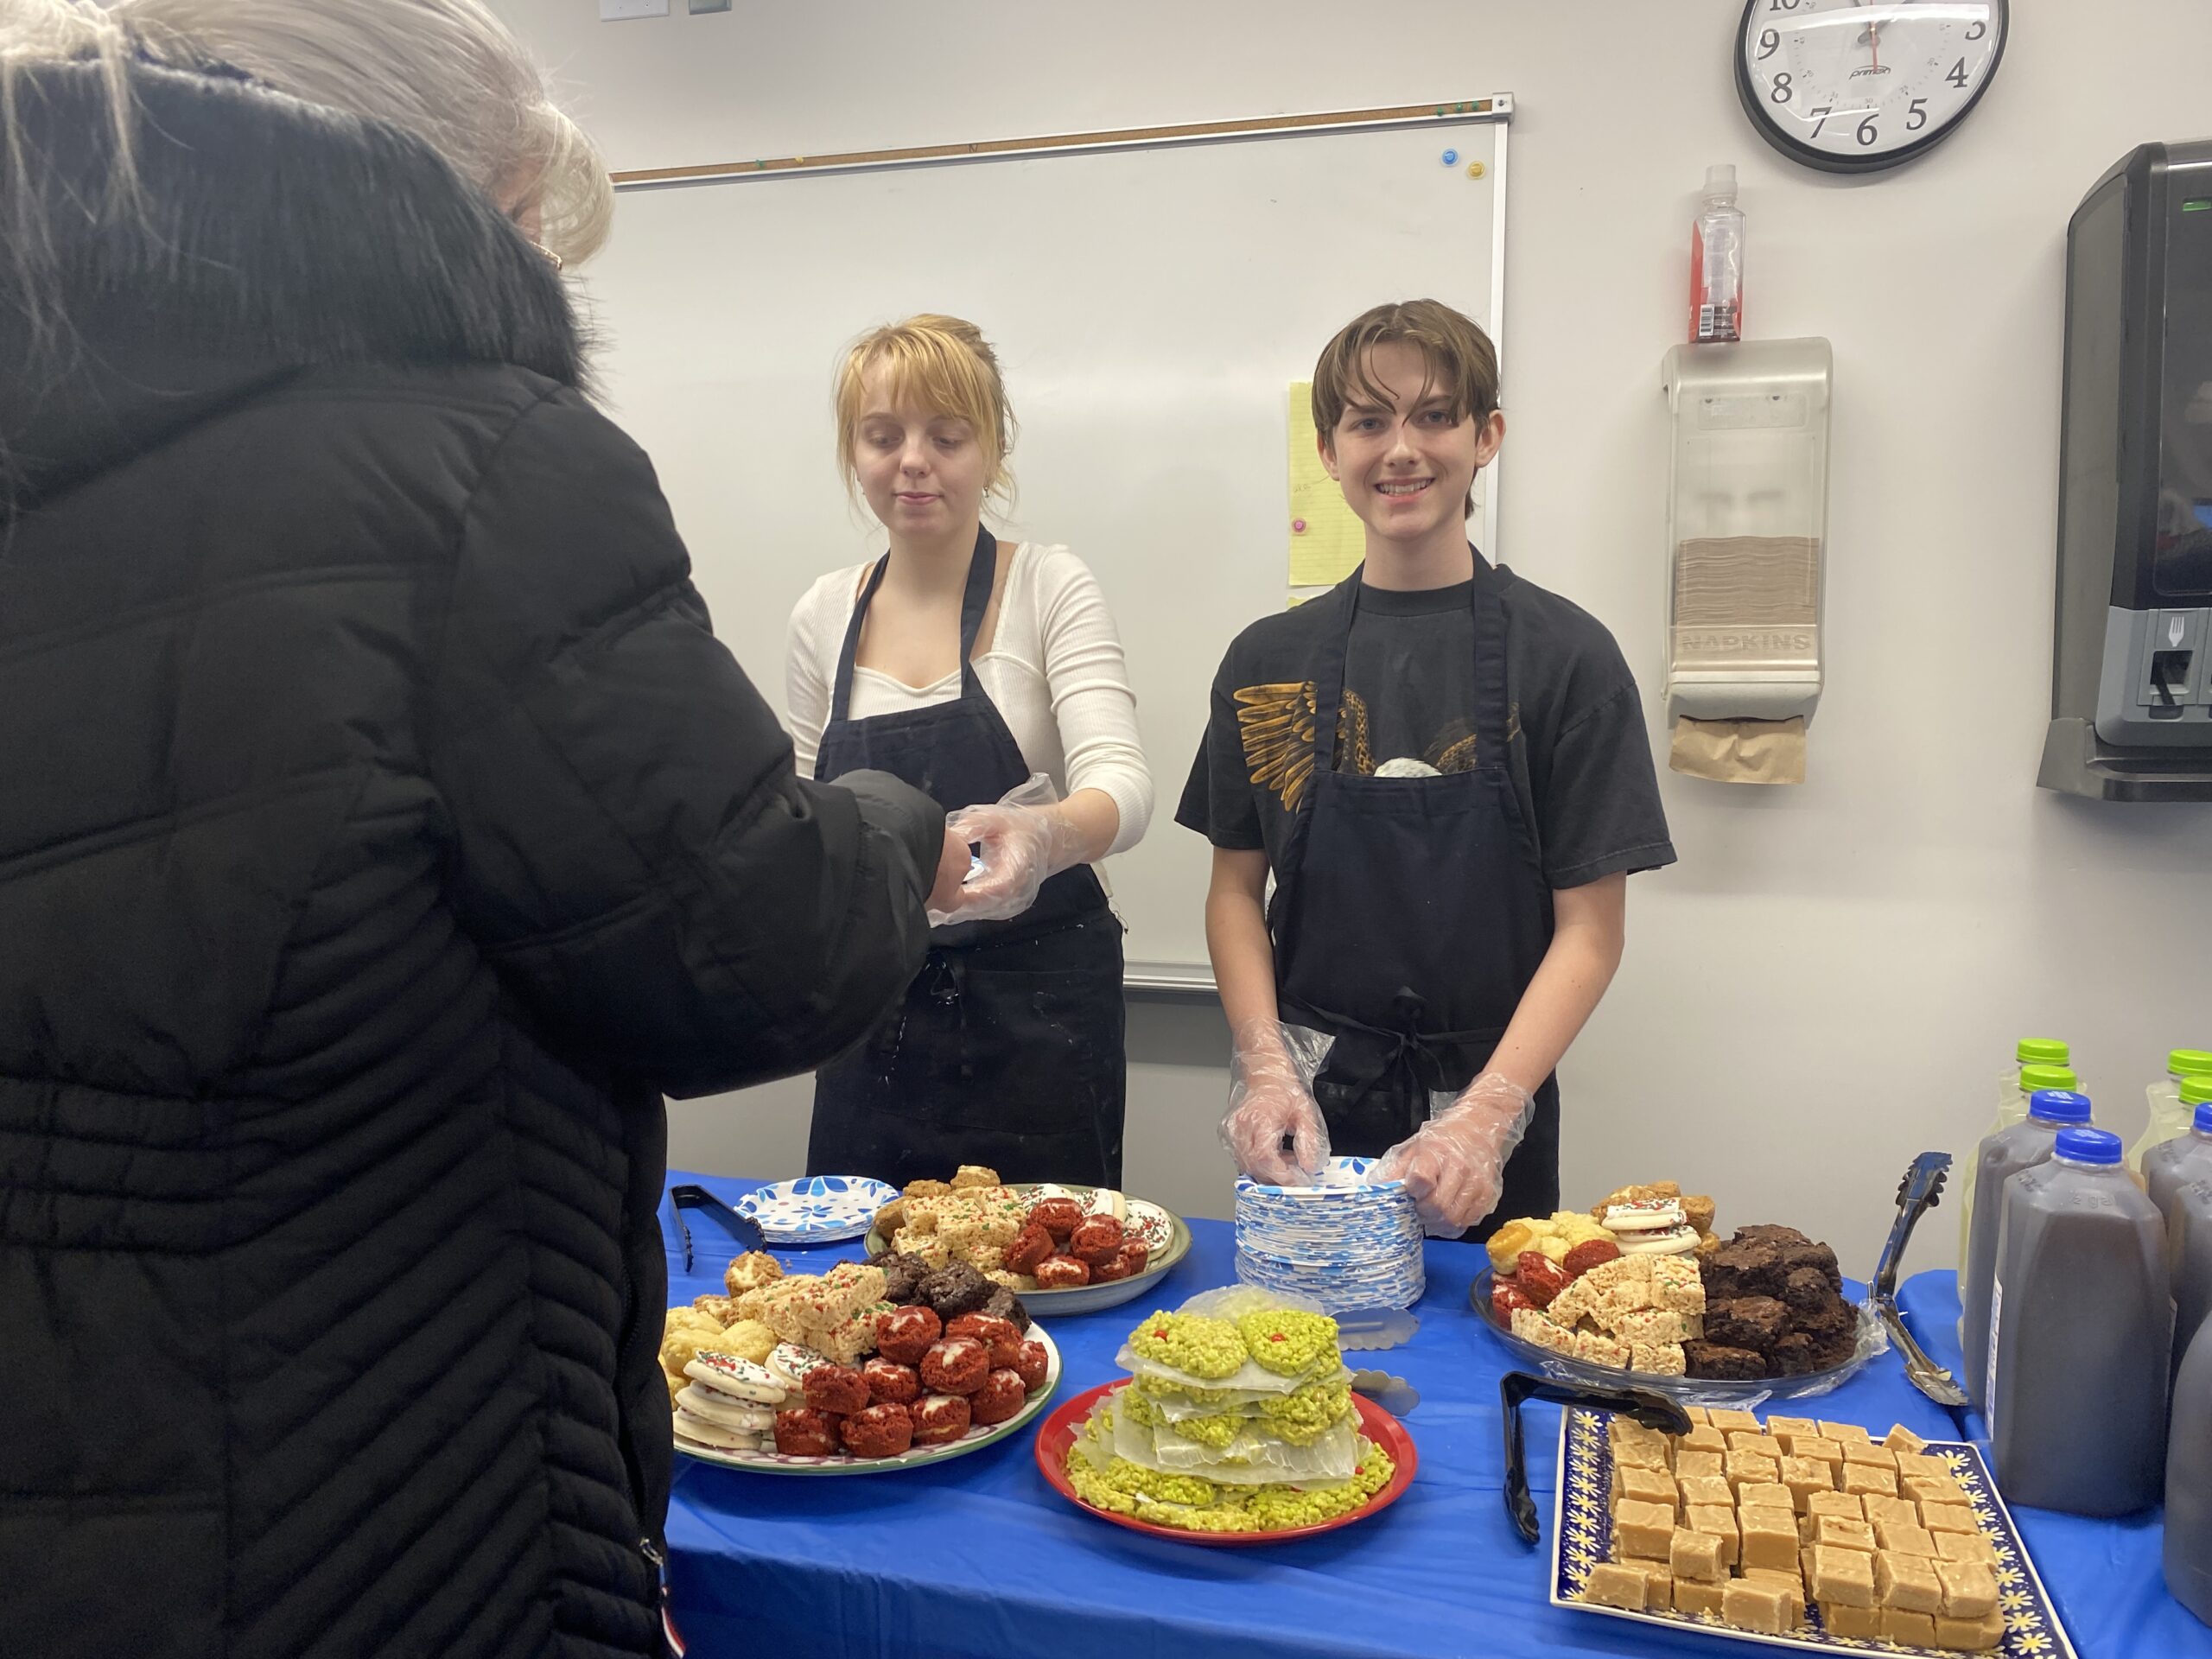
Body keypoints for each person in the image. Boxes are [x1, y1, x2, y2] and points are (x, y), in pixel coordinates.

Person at [0, 4, 966, 1656]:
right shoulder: (479, 468)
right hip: (386, 1484)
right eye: (522, 226)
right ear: (398, 190)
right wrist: (889, 813)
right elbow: (759, 948)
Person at [1179, 299, 1675, 1239]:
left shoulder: (1566, 657)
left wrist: (1485, 1120)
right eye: (1368, 422)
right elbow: (1235, 892)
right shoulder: (1266, 661)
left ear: (1485, 436)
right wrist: (1267, 1067)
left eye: (1434, 416)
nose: (1399, 449)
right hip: (1308, 1115)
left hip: (1492, 1101)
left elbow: (1590, 930)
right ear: (1328, 450)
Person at [786, 315, 1154, 1188]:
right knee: (864, 1289)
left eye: (945, 436)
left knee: (1046, 1276)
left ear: (991, 450)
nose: (912, 460)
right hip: (875, 1015)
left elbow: (1123, 784)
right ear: (854, 453)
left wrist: (1047, 838)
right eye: (883, 437)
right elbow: (797, 814)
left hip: (1043, 1017)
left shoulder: (1047, 585)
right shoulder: (822, 613)